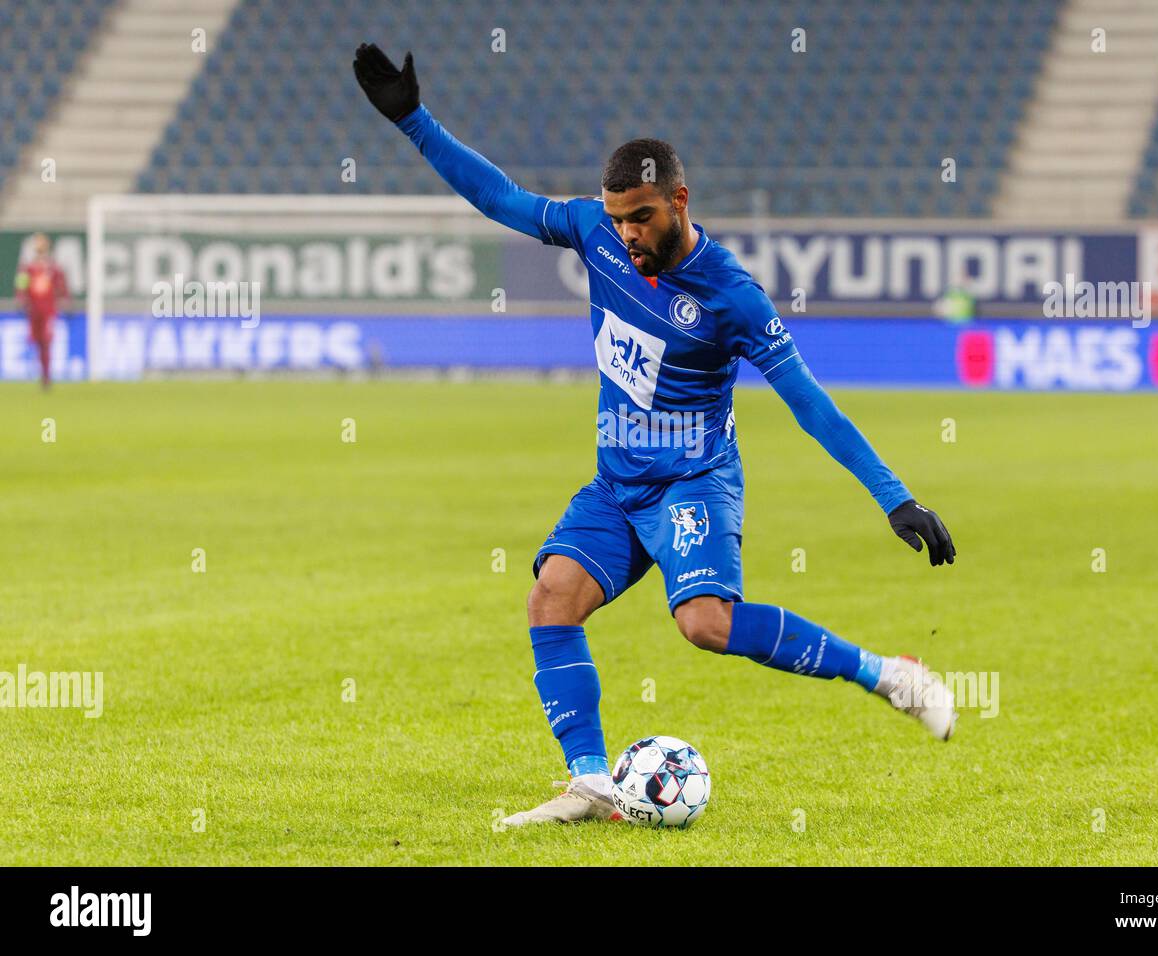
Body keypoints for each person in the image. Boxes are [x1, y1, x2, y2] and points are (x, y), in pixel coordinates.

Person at [354, 44, 959, 826]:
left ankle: (891, 676)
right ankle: (591, 783)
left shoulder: (731, 296)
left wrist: (894, 498)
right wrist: (413, 121)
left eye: (641, 217)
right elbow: (499, 196)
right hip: (618, 482)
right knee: (551, 599)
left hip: (692, 480)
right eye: (617, 221)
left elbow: (809, 403)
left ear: (680, 199)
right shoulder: (594, 234)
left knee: (704, 624)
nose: (628, 235)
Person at [13, 233, 67, 389]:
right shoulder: (27, 268)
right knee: (35, 341)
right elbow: (21, 285)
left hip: (48, 311)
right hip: (33, 311)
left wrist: (64, 300)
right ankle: (39, 374)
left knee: (46, 341)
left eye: (42, 244)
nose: (40, 247)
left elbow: (61, 286)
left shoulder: (53, 268)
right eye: (38, 245)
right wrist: (21, 298)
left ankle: (46, 377)